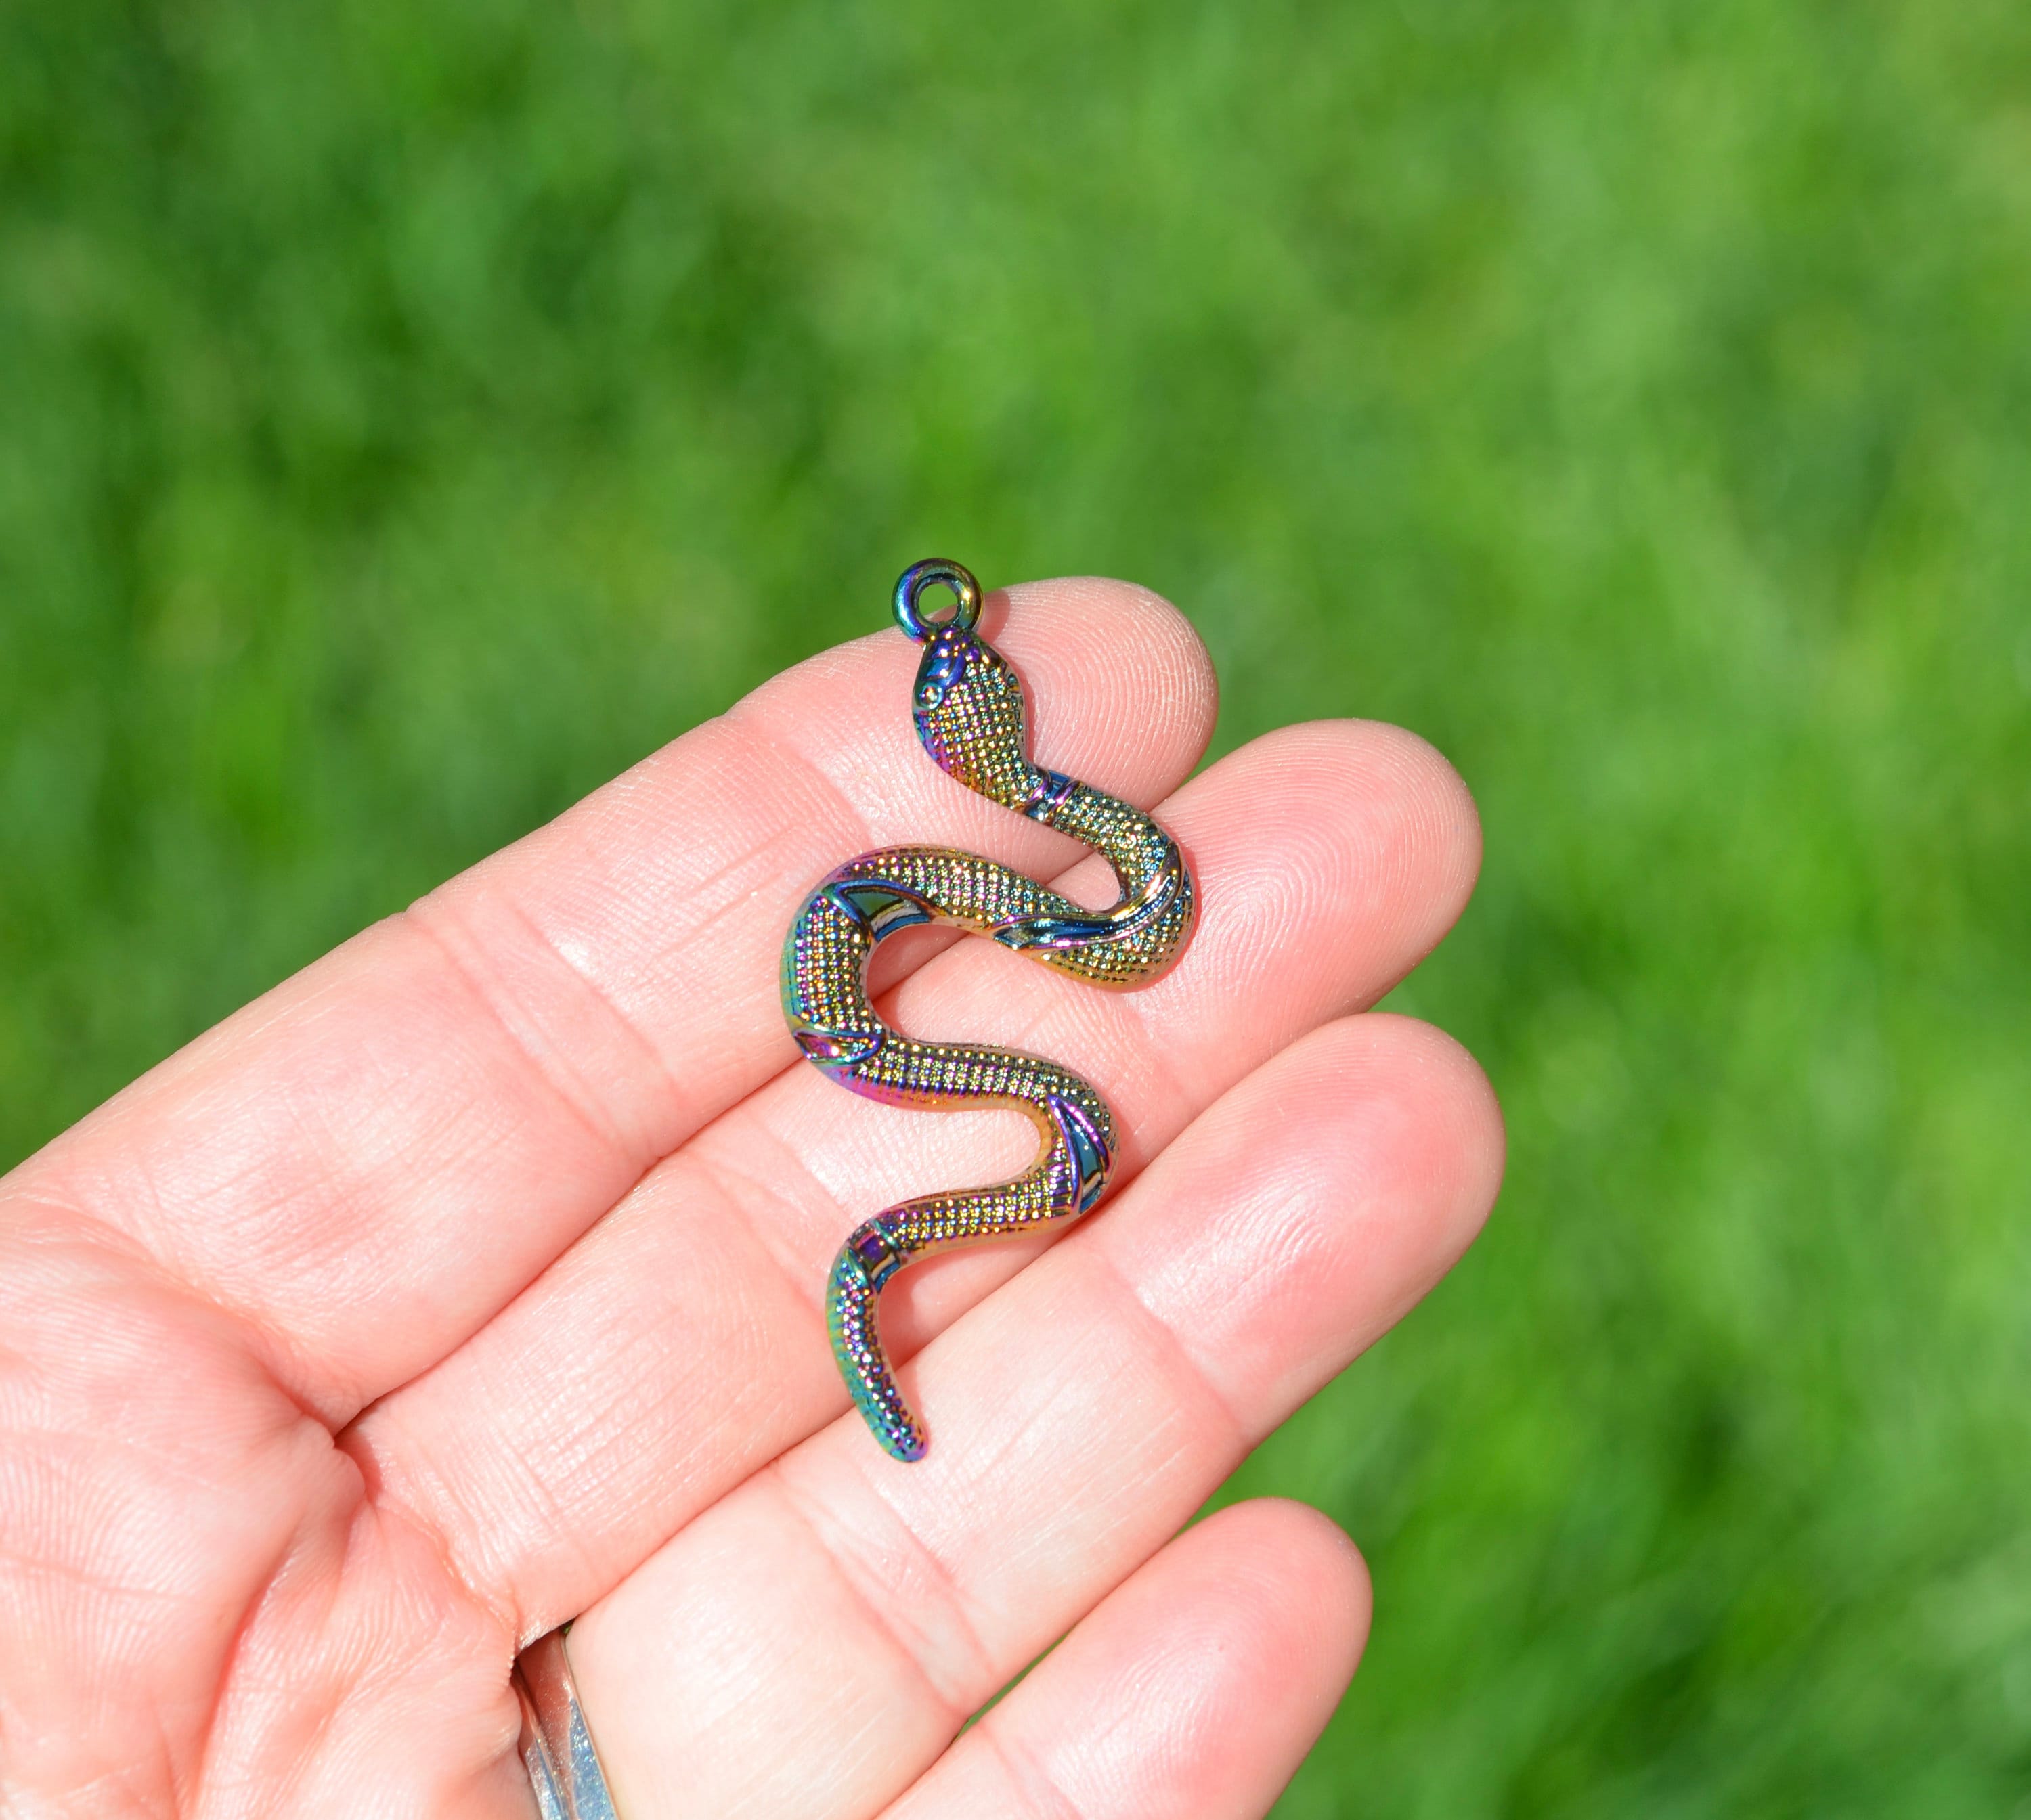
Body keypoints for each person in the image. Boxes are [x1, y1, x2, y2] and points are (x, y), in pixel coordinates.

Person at [0, 577, 1504, 1819]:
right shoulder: (997, 882)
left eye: (967, 690)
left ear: (970, 735)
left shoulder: (1009, 872)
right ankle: (878, 1268)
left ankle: (884, 1266)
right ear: (976, 739)